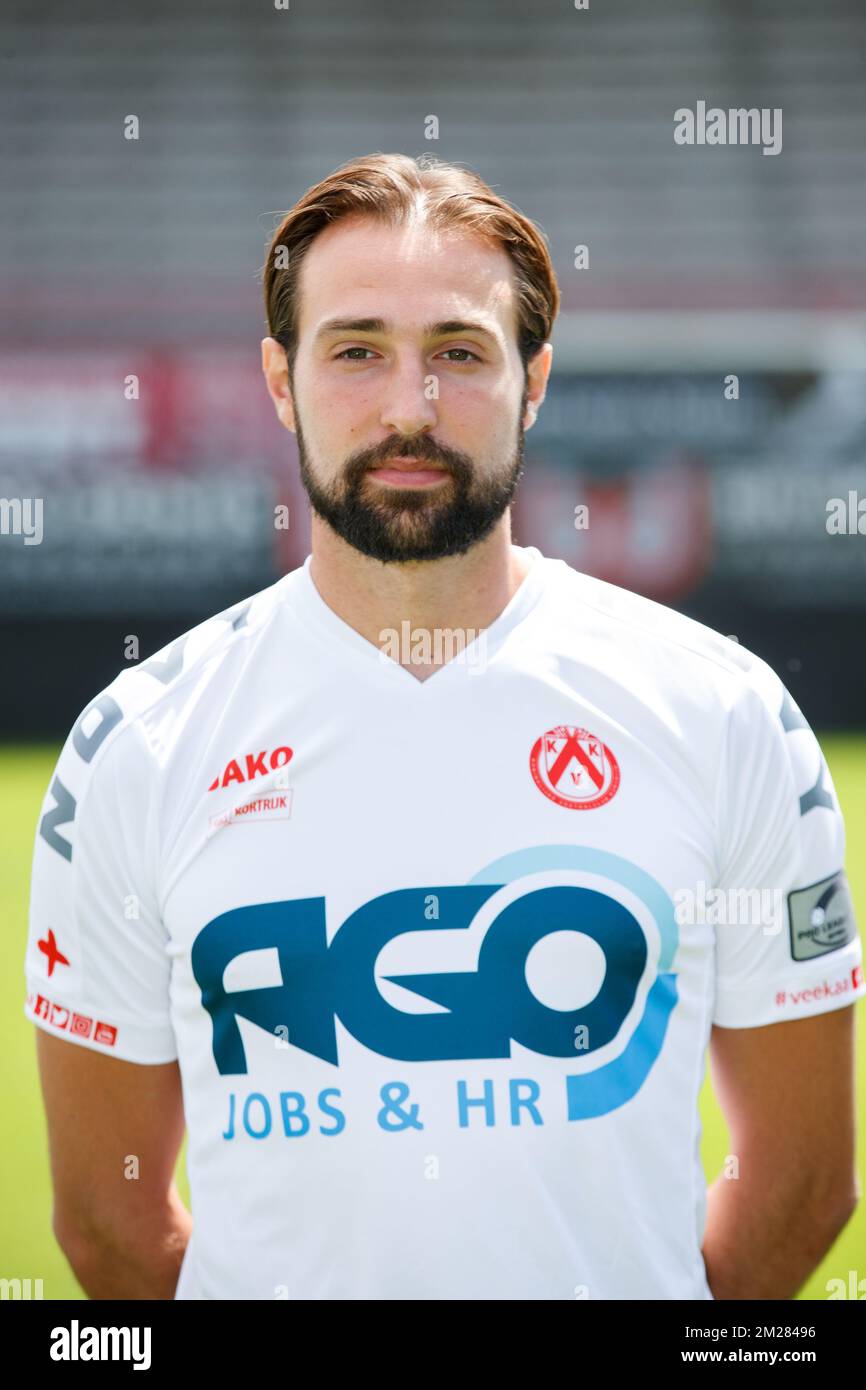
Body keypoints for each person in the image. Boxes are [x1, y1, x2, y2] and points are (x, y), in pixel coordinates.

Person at [26, 153, 863, 1301]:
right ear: (280, 379)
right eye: (356, 348)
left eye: (459, 354)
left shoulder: (719, 711)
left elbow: (805, 1182)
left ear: (535, 381)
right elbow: (105, 1224)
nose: (407, 406)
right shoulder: (136, 744)